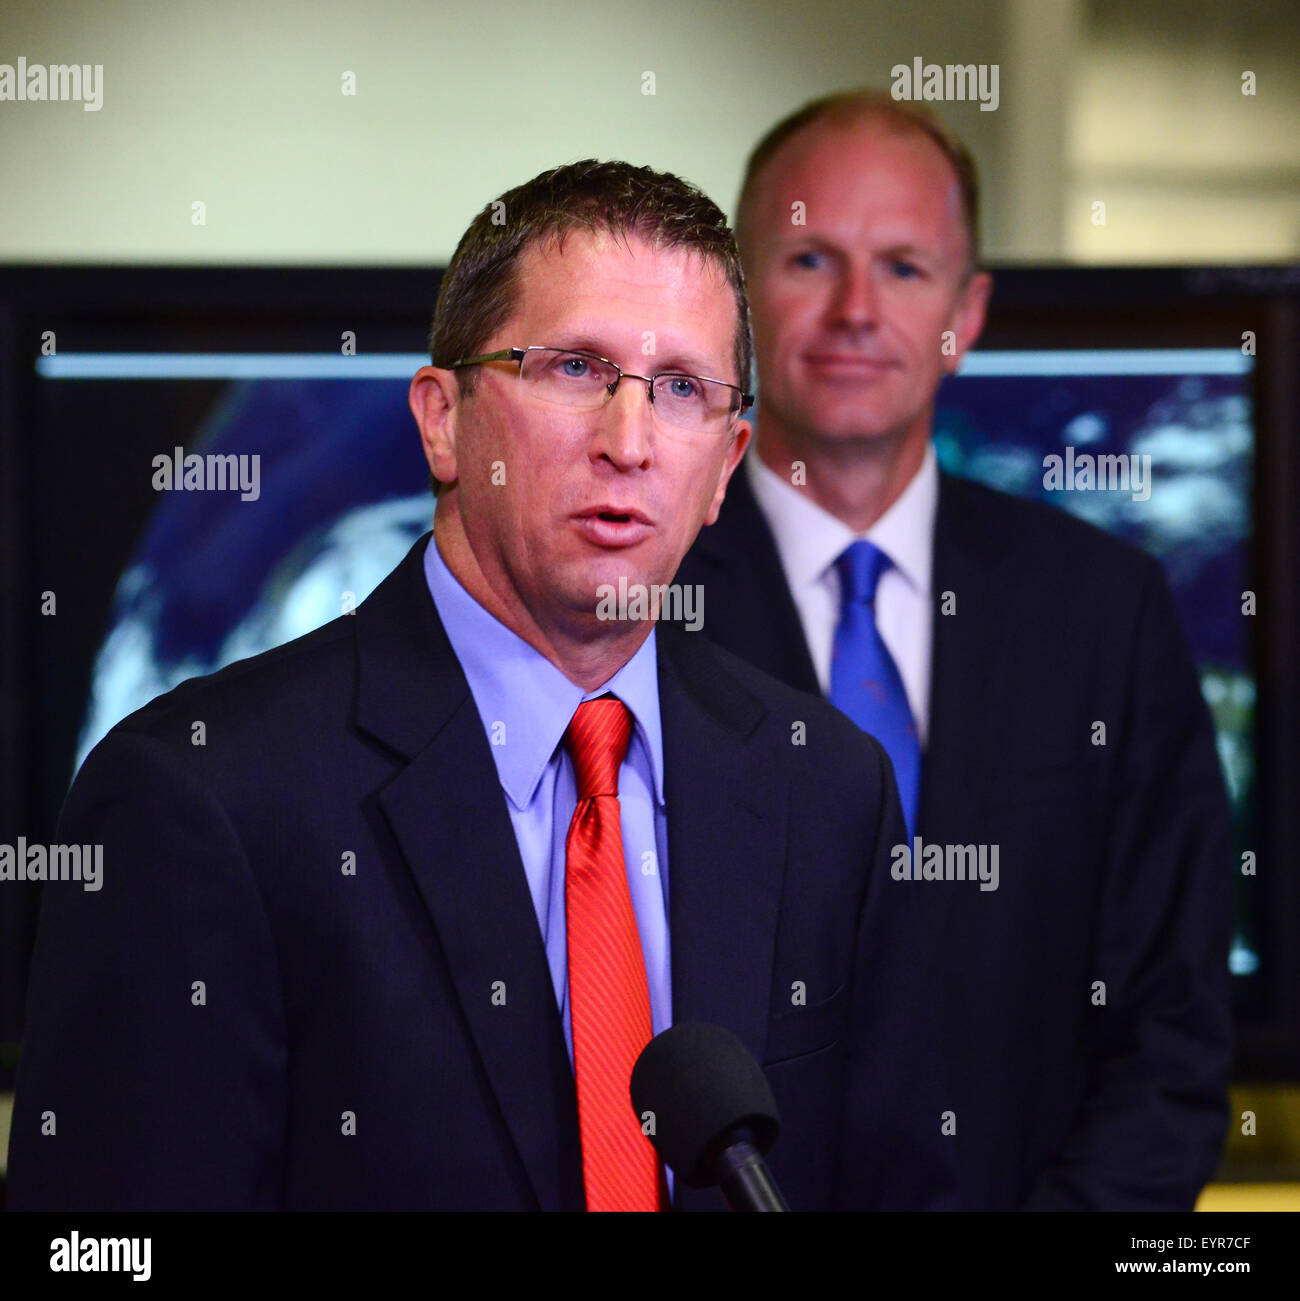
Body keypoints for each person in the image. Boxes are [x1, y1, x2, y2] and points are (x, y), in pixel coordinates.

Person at [8, 160, 956, 1212]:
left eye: (681, 388)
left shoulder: (824, 788)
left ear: (727, 463)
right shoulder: (198, 797)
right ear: (442, 420)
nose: (629, 441)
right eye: (574, 368)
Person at [675, 92, 1233, 1211]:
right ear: (731, 299)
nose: (854, 311)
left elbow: (1170, 1038)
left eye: (904, 269)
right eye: (809, 258)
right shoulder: (630, 600)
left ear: (965, 314)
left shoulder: (1103, 610)